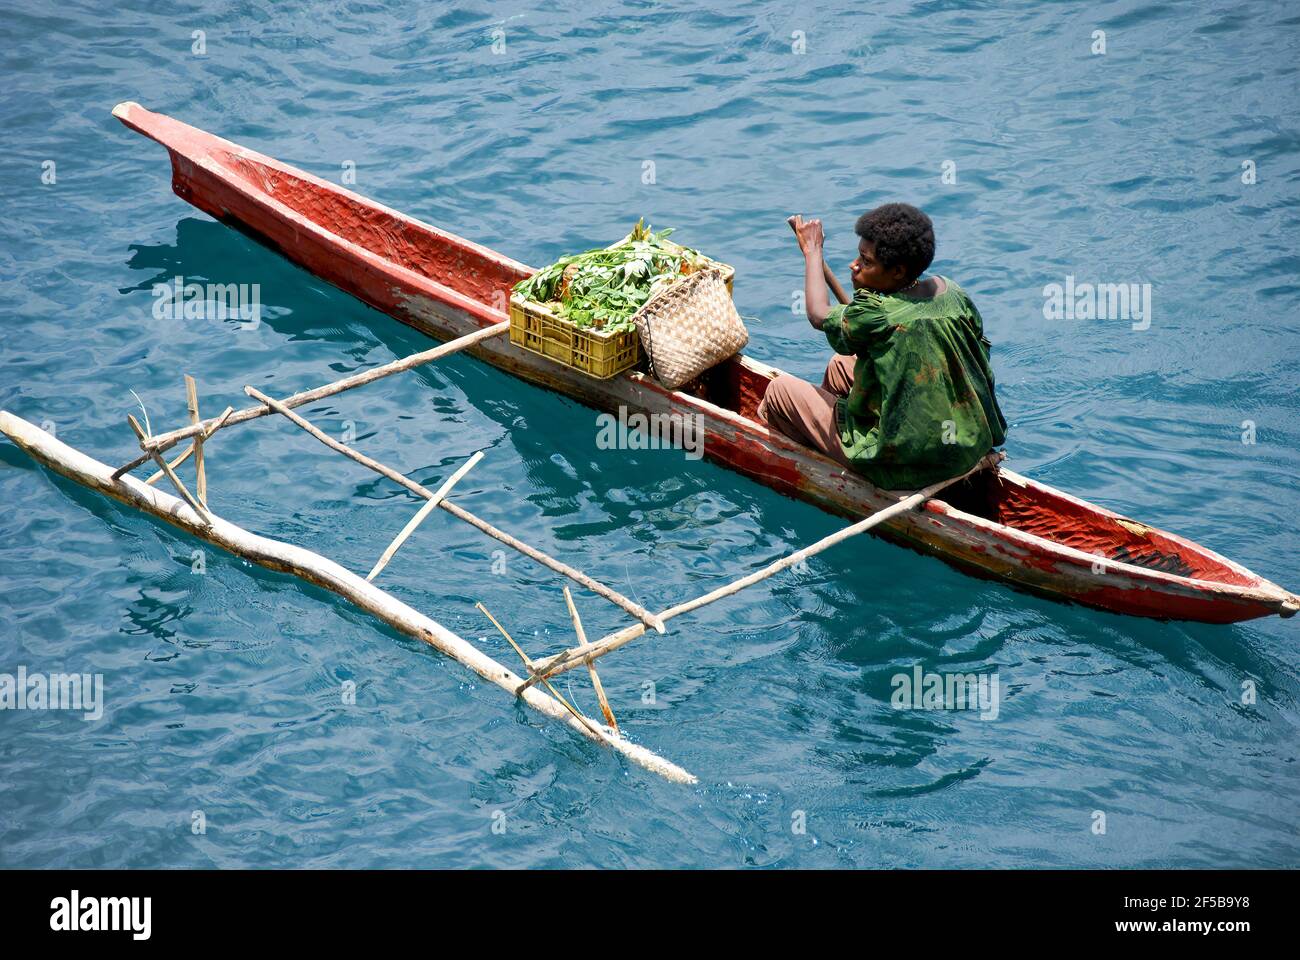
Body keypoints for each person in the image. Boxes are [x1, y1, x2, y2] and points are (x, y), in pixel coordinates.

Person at [757, 203, 1007, 490]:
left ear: (898, 271)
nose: (854, 265)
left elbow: (817, 314)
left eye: (865, 261)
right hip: (970, 442)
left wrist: (813, 252)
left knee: (780, 391)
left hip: (909, 464)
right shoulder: (951, 292)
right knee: (840, 365)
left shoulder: (875, 313)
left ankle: (829, 465)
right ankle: (833, 442)